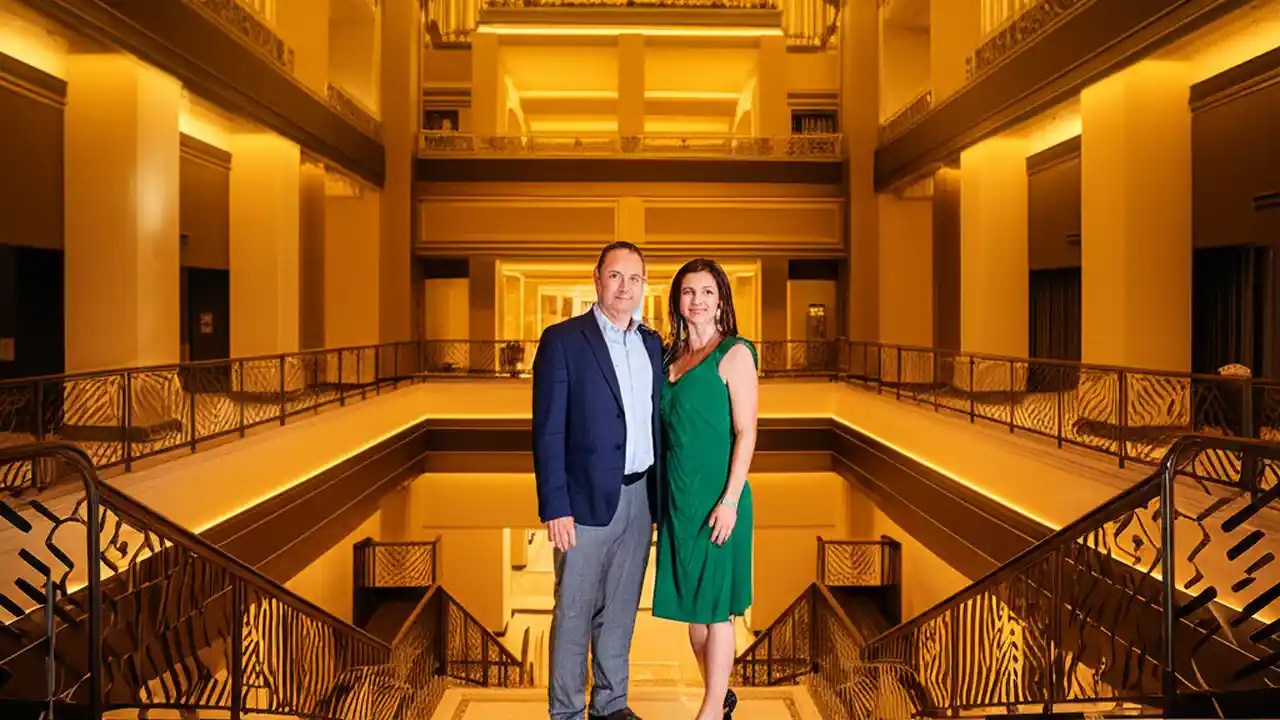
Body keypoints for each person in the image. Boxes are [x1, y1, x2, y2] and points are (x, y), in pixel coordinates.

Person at [533, 241, 664, 720]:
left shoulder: (651, 343)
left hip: (639, 496)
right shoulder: (564, 340)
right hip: (583, 502)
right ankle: (566, 711)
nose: (624, 286)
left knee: (621, 609)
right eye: (615, 276)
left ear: (643, 286)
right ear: (597, 279)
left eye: (634, 278)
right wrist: (555, 505)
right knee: (573, 612)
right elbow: (547, 428)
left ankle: (610, 704)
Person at [653, 257, 758, 720]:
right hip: (680, 502)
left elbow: (747, 432)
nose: (697, 300)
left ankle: (712, 709)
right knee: (695, 621)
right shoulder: (669, 358)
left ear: (721, 301)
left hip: (721, 500)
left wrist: (731, 501)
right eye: (689, 292)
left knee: (717, 612)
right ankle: (721, 692)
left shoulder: (734, 353)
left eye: (707, 292)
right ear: (678, 299)